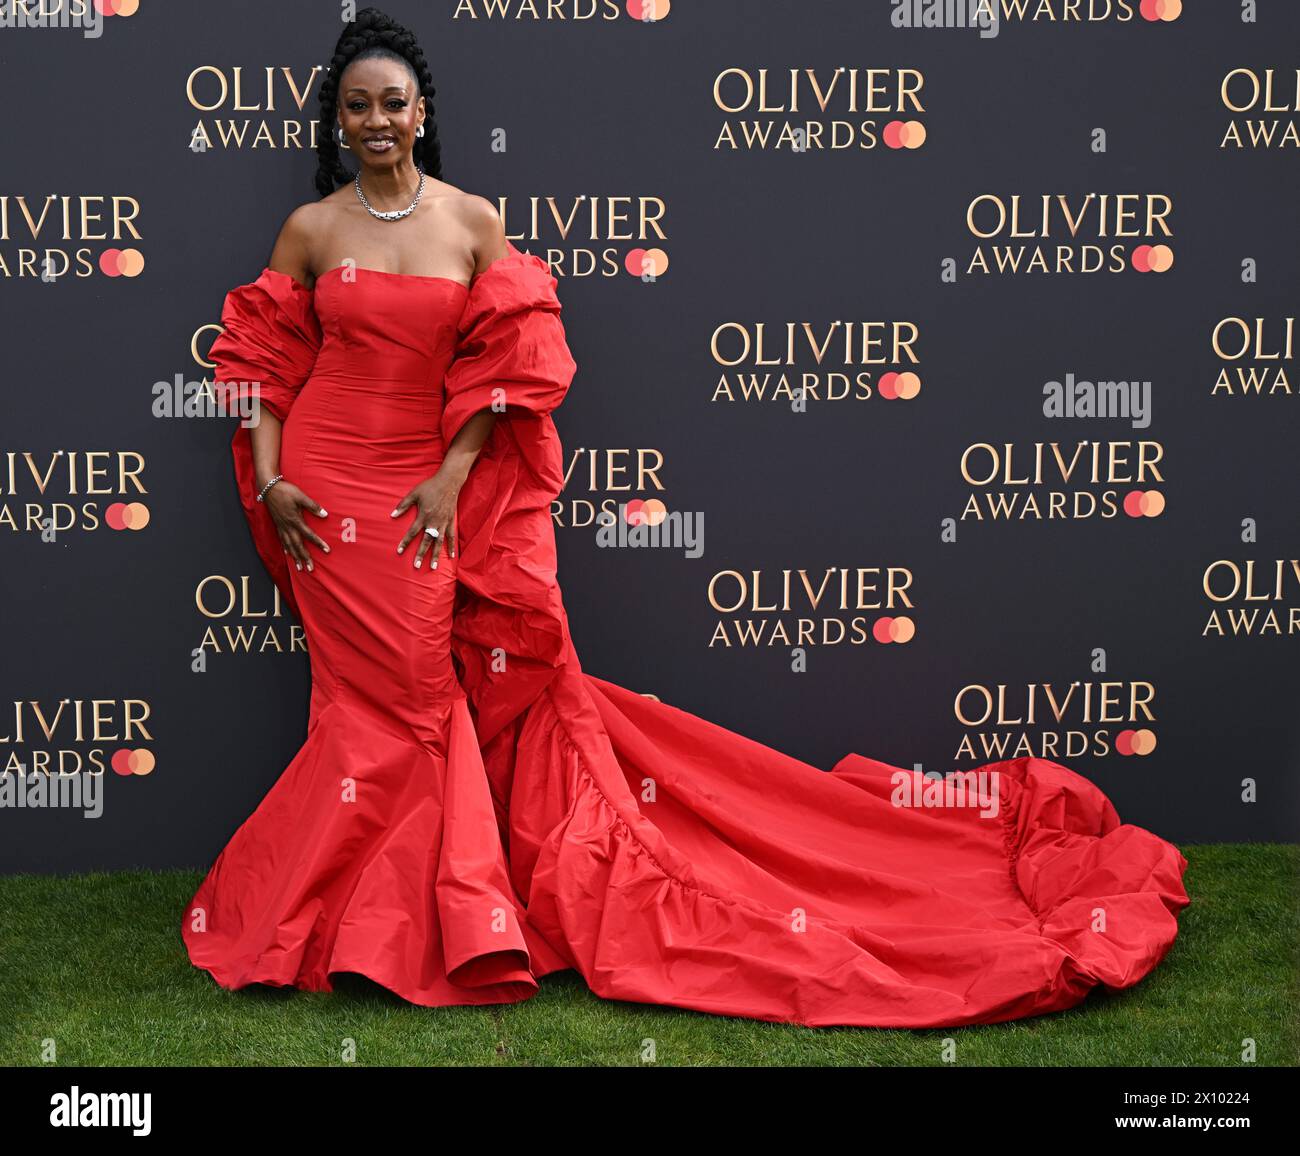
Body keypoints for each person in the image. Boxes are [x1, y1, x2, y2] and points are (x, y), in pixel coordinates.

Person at [182, 8, 1189, 1028]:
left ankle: (394, 918)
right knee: (369, 705)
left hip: (425, 490)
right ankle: (371, 921)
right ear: (338, 121)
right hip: (326, 489)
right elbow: (262, 368)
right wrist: (269, 481)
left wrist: (450, 477)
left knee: (421, 701)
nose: (376, 120)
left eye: (392, 103)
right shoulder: (310, 232)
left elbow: (509, 374)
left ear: (421, 110)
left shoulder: (472, 223)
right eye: (357, 107)